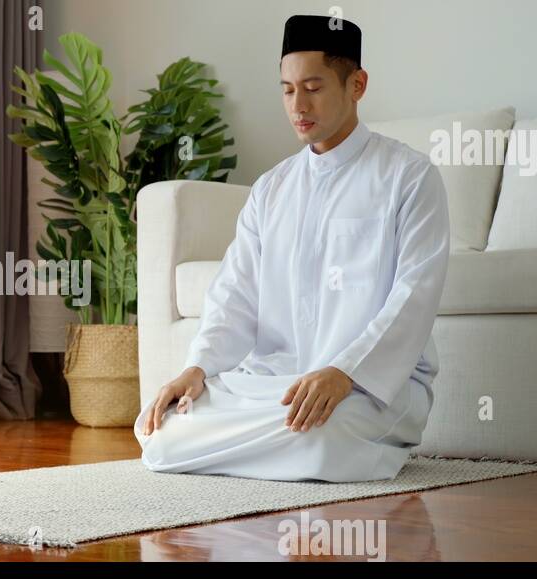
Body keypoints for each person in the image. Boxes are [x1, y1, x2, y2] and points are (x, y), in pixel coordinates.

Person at [133, 14, 450, 482]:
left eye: (314, 87)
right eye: (287, 89)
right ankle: (273, 450)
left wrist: (344, 372)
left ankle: (266, 450)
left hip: (369, 387)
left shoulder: (409, 176)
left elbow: (413, 298)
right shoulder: (271, 189)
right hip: (273, 386)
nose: (298, 105)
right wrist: (198, 368)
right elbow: (235, 295)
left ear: (357, 85)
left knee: (320, 437)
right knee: (162, 430)